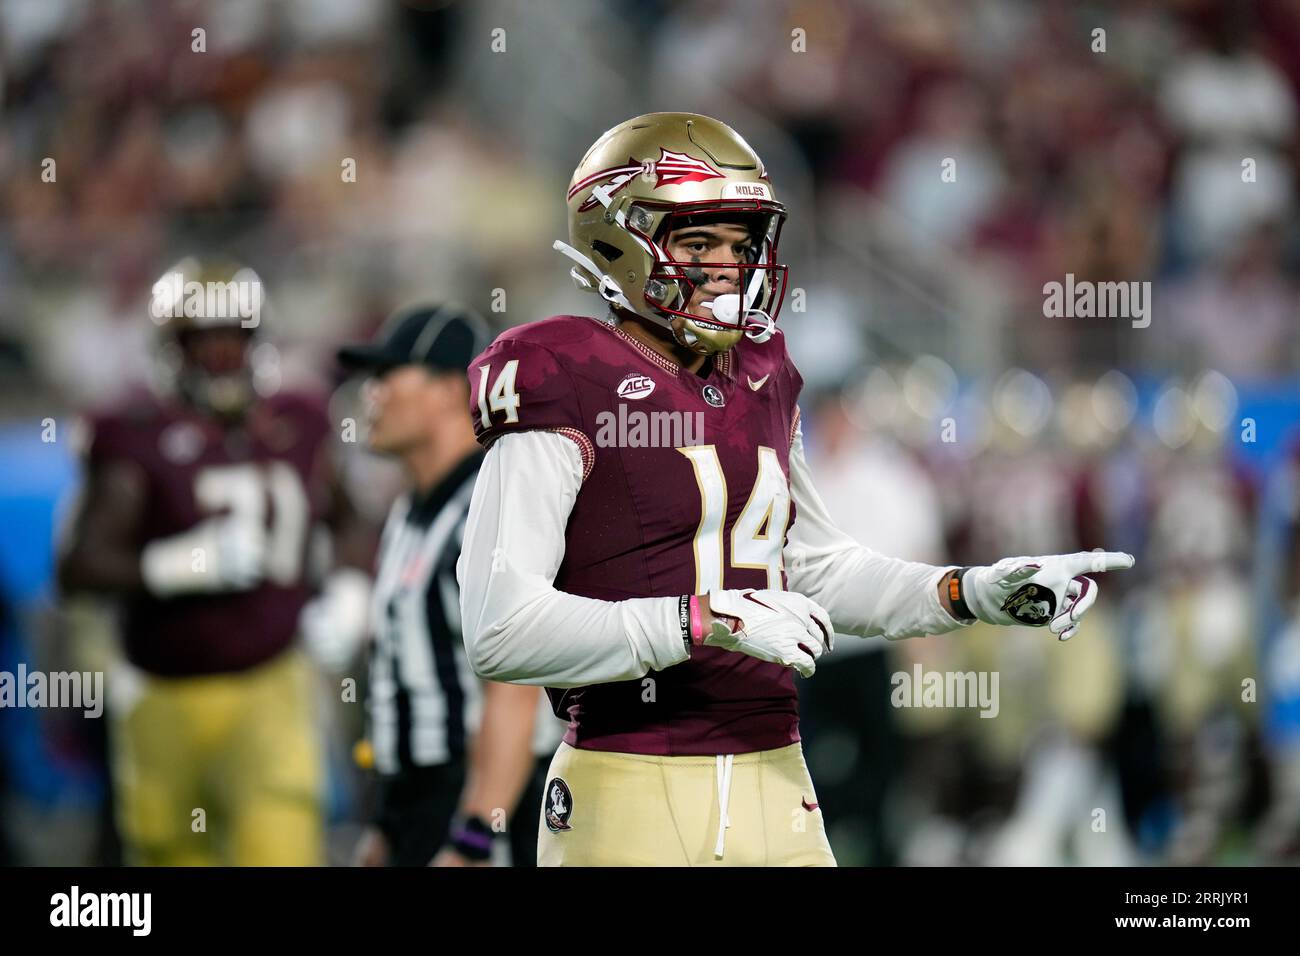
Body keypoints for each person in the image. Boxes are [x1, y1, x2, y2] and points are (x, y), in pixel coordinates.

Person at [457, 112, 1135, 866]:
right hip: (630, 779)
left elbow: (813, 568)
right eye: (698, 241)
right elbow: (498, 628)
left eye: (741, 246)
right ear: (617, 238)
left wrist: (968, 593)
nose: (727, 266)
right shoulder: (564, 375)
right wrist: (702, 621)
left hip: (778, 777)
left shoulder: (762, 375)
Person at [58, 257, 373, 866]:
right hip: (161, 690)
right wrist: (167, 567)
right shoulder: (132, 431)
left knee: (281, 843)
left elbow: (352, 516)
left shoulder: (299, 419)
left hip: (271, 681)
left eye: (235, 338)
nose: (223, 356)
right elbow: (77, 566)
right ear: (172, 348)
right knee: (169, 853)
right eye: (204, 341)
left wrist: (351, 591)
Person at [337, 305, 562, 867]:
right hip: (418, 801)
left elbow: (516, 690)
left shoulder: (483, 507)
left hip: (477, 799)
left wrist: (476, 835)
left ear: (444, 391)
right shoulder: (410, 510)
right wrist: (390, 823)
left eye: (387, 377)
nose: (371, 395)